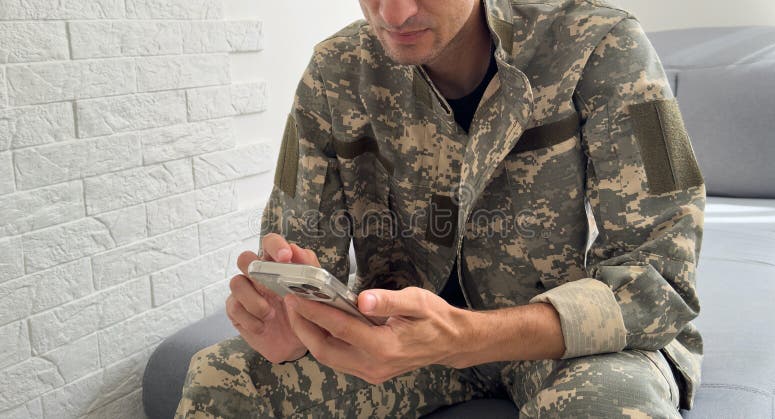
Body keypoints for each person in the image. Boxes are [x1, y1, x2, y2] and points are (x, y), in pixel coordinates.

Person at [175, 0, 706, 417]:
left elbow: (658, 282)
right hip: (397, 345)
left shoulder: (599, 44)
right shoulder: (335, 73)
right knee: (226, 375)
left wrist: (464, 337)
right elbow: (304, 257)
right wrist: (294, 321)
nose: (395, 14)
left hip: (567, 344)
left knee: (609, 406)